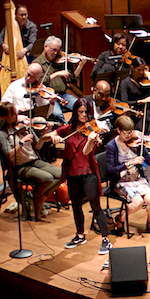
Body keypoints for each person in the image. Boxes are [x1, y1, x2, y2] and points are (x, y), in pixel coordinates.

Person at [50, 99, 111, 254]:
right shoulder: (69, 129)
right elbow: (50, 135)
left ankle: (106, 239)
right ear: (75, 112)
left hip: (89, 172)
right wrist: (53, 137)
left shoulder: (92, 130)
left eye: (86, 112)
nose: (84, 115)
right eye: (81, 112)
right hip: (72, 172)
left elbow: (86, 151)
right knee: (76, 205)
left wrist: (91, 141)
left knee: (95, 206)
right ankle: (80, 235)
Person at [0, 101, 60, 216]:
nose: (17, 115)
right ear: (5, 117)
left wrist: (44, 133)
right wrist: (21, 142)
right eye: (13, 114)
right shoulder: (2, 133)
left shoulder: (24, 127)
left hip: (34, 160)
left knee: (62, 174)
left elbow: (37, 147)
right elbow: (10, 155)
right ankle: (36, 199)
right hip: (19, 166)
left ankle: (37, 198)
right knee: (48, 178)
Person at [105, 115, 150, 235]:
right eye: (126, 133)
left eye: (131, 132)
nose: (129, 136)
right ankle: (120, 219)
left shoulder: (136, 142)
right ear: (118, 130)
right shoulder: (112, 146)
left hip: (137, 179)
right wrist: (130, 163)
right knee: (138, 202)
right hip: (121, 182)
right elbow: (111, 170)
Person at [32, 36, 82, 111]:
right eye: (53, 50)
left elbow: (71, 78)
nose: (55, 53)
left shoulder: (58, 60)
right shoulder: (37, 64)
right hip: (49, 97)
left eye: (57, 51)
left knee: (81, 106)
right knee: (57, 114)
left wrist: (80, 66)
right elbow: (40, 82)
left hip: (63, 94)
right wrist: (57, 74)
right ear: (46, 47)